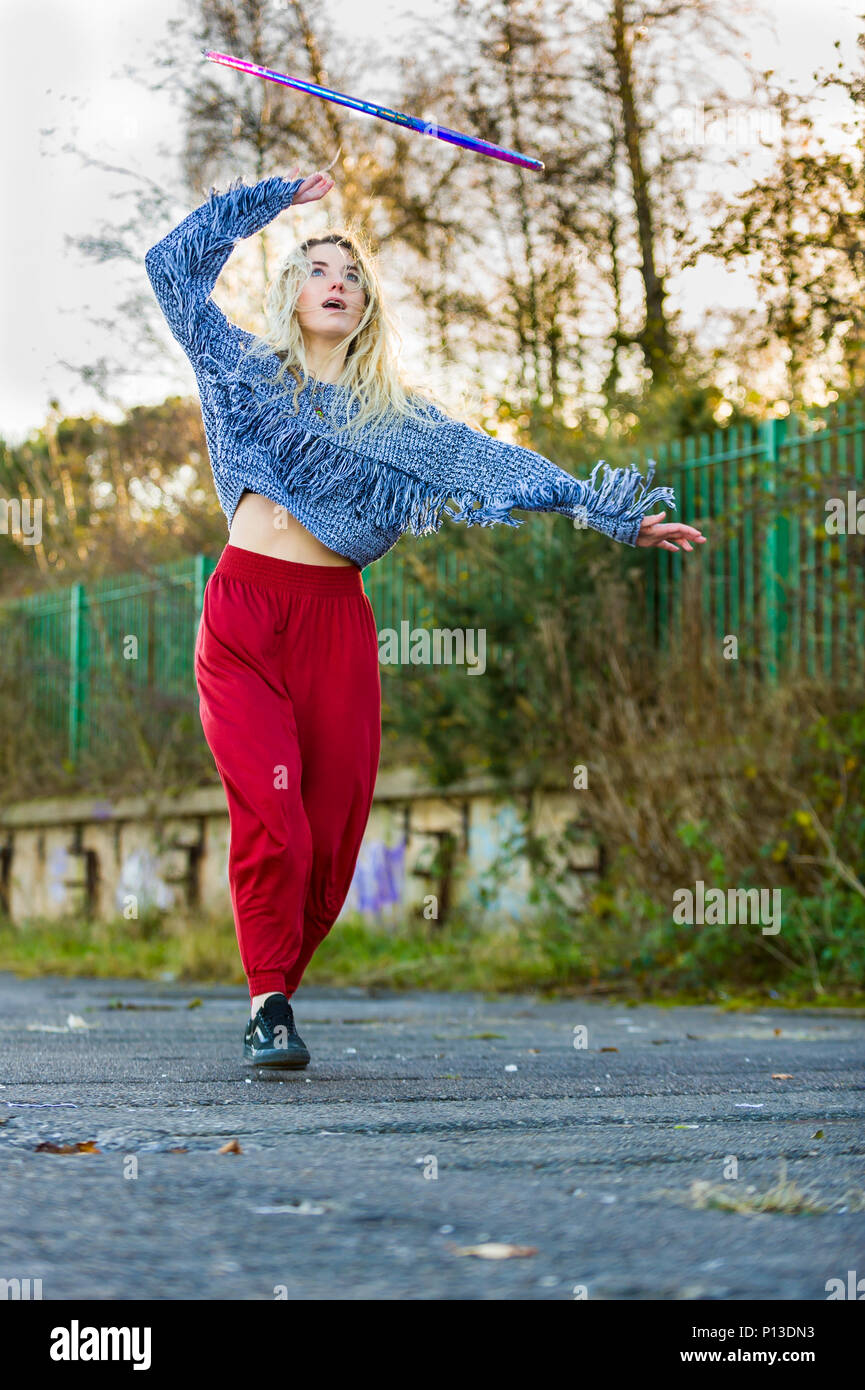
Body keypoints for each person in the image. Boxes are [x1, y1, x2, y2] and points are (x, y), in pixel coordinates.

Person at [144, 167, 705, 1069]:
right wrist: (274, 200)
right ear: (291, 294)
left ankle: (280, 977)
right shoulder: (239, 370)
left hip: (334, 624)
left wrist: (606, 512)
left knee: (329, 834)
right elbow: (170, 268)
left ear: (365, 306)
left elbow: (491, 465)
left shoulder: (398, 423)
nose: (337, 282)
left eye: (352, 275)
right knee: (275, 818)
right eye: (319, 270)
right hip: (243, 616)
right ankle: (268, 1004)